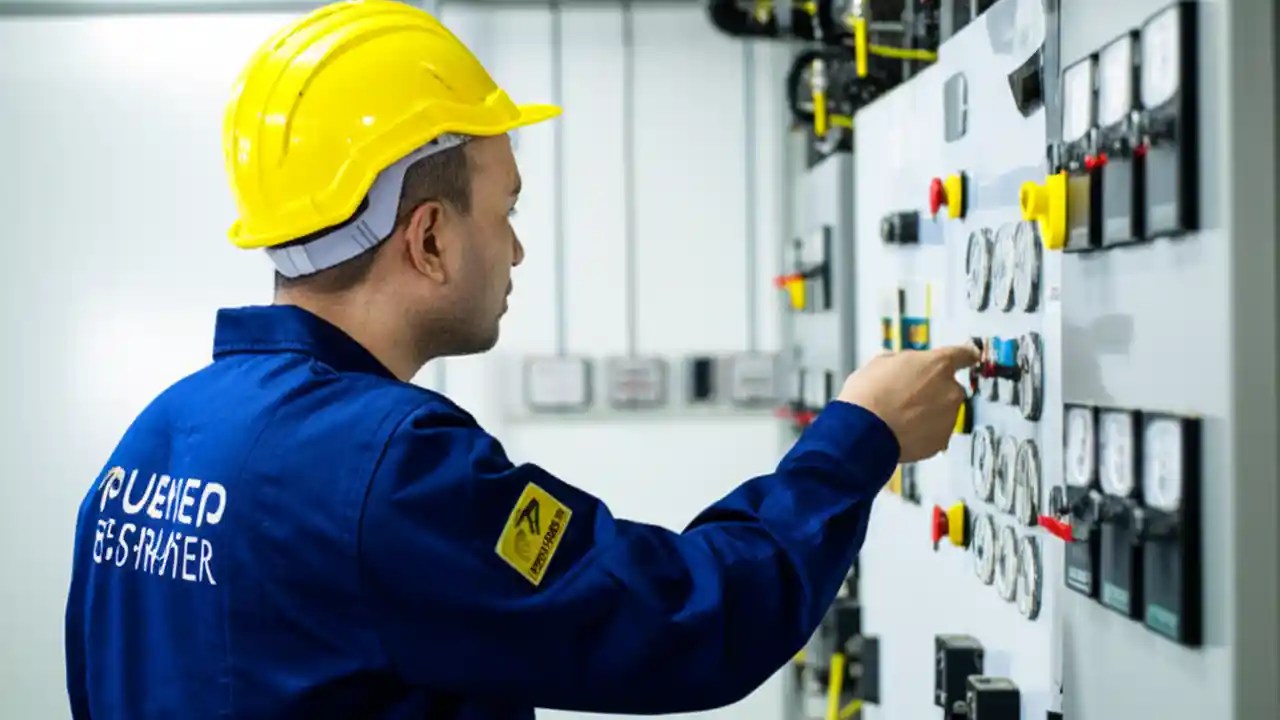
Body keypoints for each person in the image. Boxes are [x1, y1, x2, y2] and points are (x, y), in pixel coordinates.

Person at [63, 1, 978, 718]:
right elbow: (686, 623)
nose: (517, 249)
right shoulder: (387, 469)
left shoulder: (154, 441)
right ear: (429, 238)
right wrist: (860, 439)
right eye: (506, 210)